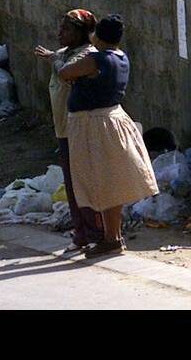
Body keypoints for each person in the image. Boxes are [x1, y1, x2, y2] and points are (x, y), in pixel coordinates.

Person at [58, 14, 159, 259]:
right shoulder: (121, 57)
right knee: (108, 182)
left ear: (96, 36)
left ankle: (111, 237)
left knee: (101, 181)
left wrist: (57, 58)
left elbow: (64, 72)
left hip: (95, 124)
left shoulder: (96, 59)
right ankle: (111, 236)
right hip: (112, 120)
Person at [34, 8, 102, 251]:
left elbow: (65, 72)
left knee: (84, 183)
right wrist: (54, 57)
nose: (60, 33)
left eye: (67, 29)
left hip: (79, 128)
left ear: (82, 33)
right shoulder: (65, 53)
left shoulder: (87, 56)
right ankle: (81, 232)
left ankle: (94, 231)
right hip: (64, 128)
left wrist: (53, 58)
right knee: (72, 185)